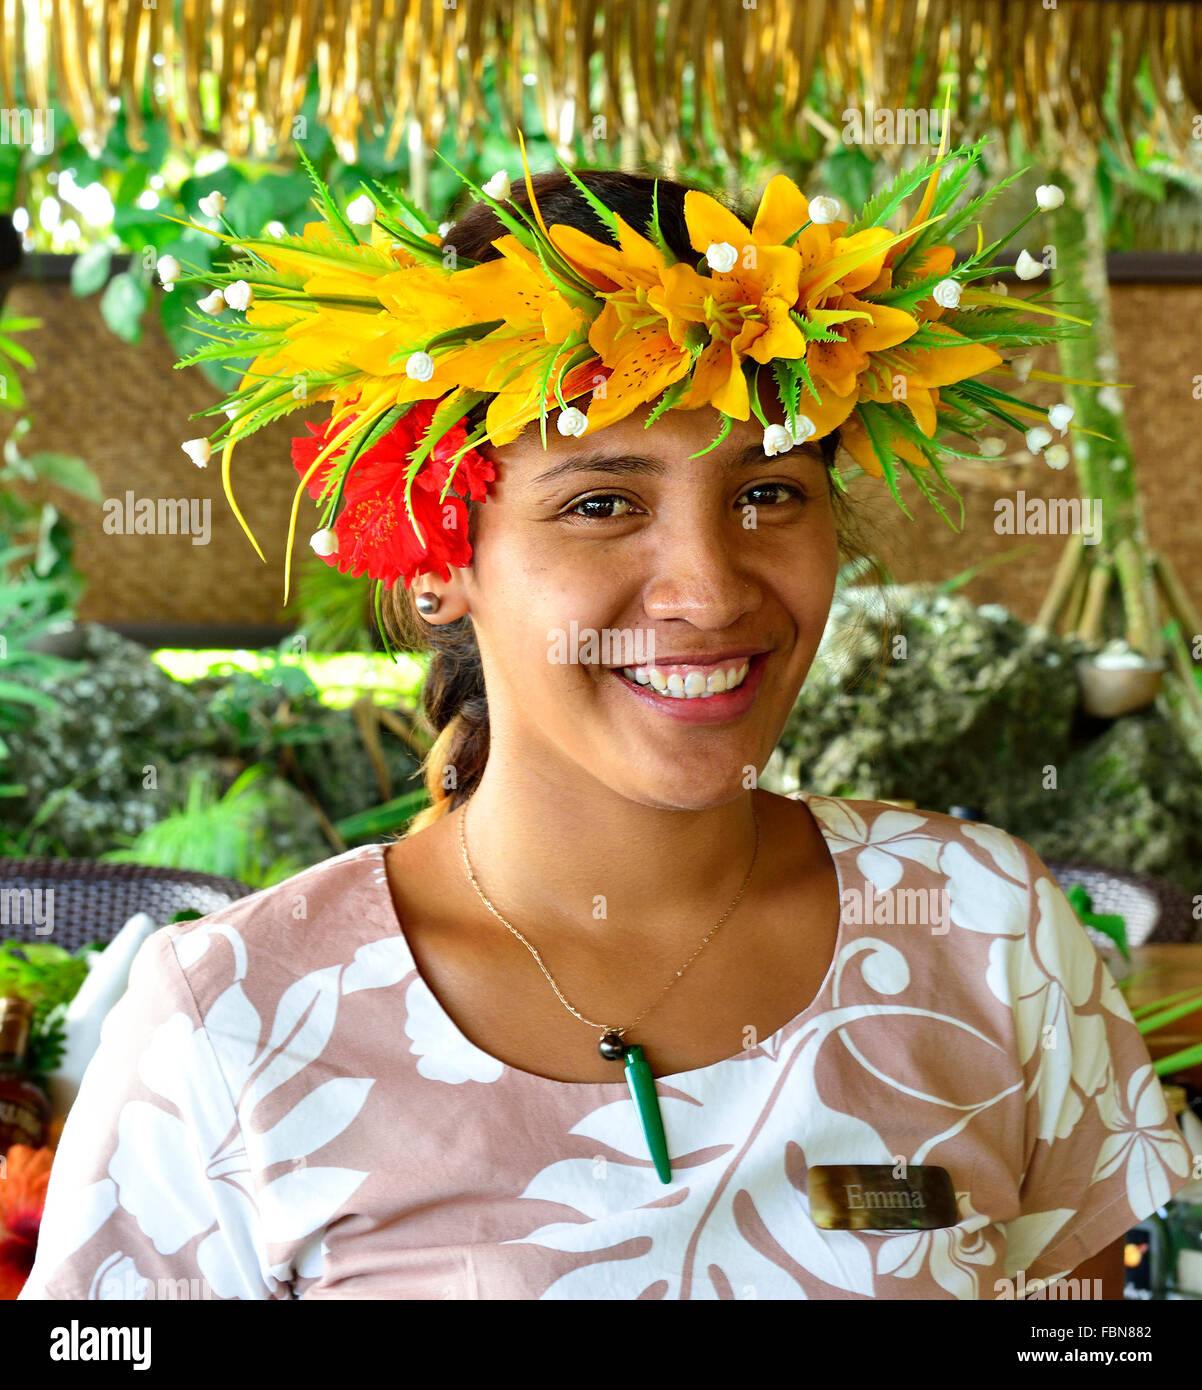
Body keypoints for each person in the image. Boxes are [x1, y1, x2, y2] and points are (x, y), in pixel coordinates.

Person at [19, 158, 1192, 1301]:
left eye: (766, 492)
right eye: (598, 503)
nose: (710, 587)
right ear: (438, 559)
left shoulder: (983, 930)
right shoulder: (234, 1021)